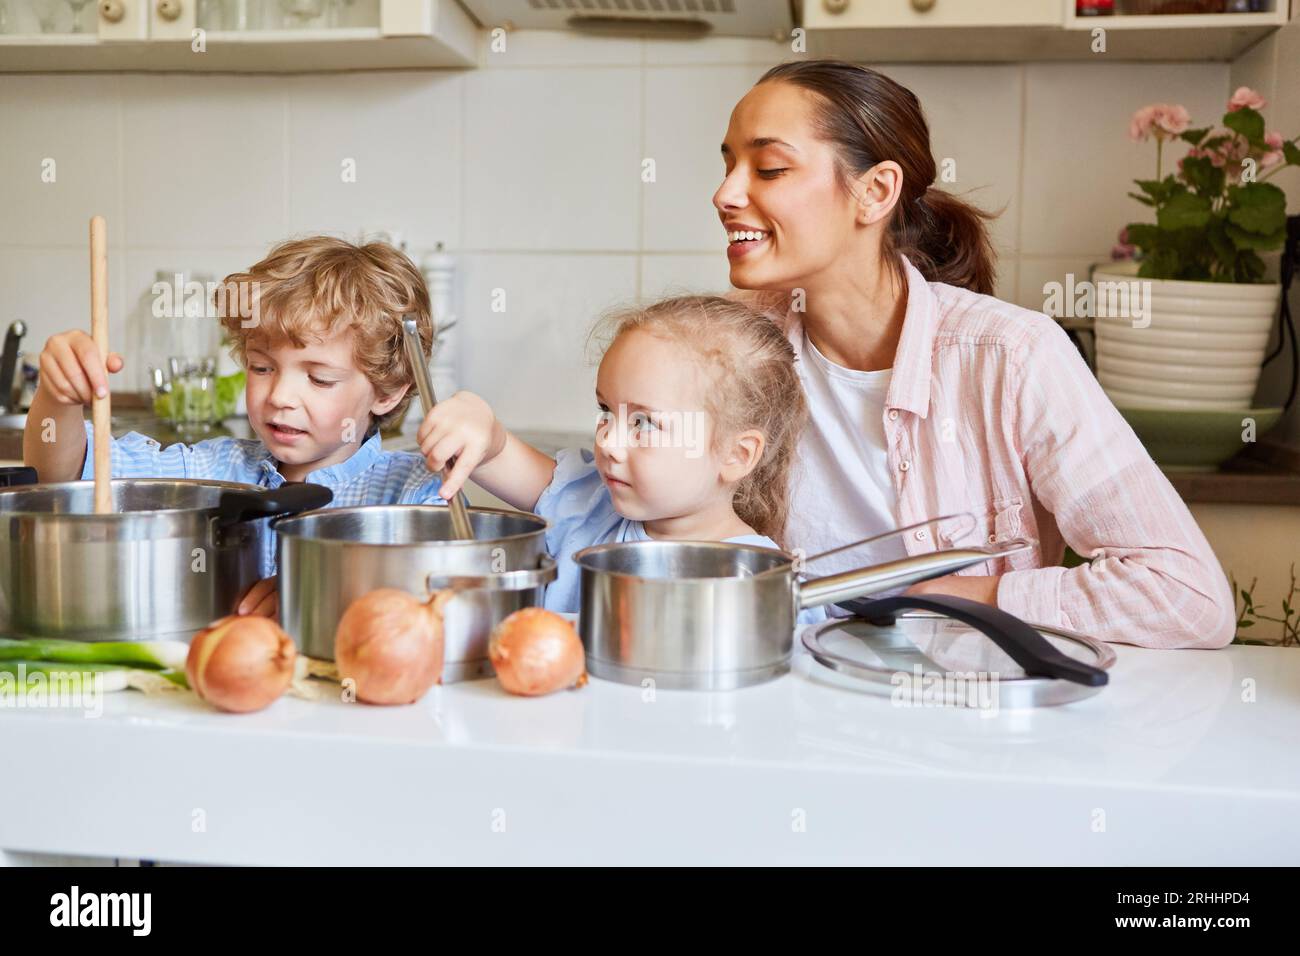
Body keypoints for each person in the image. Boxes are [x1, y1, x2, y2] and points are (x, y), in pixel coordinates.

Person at [713, 60, 1234, 648]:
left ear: (876, 191)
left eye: (770, 168)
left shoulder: (1013, 357)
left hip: (963, 721)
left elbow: (1187, 597)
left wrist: (963, 596)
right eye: (729, 164)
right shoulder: (732, 348)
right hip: (783, 707)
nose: (726, 193)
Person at [24, 236, 447, 618]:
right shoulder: (212, 469)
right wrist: (57, 397)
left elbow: (432, 592)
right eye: (261, 367)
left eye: (318, 378)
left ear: (387, 392)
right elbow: (65, 475)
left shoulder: (412, 493)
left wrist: (317, 592)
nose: (280, 395)